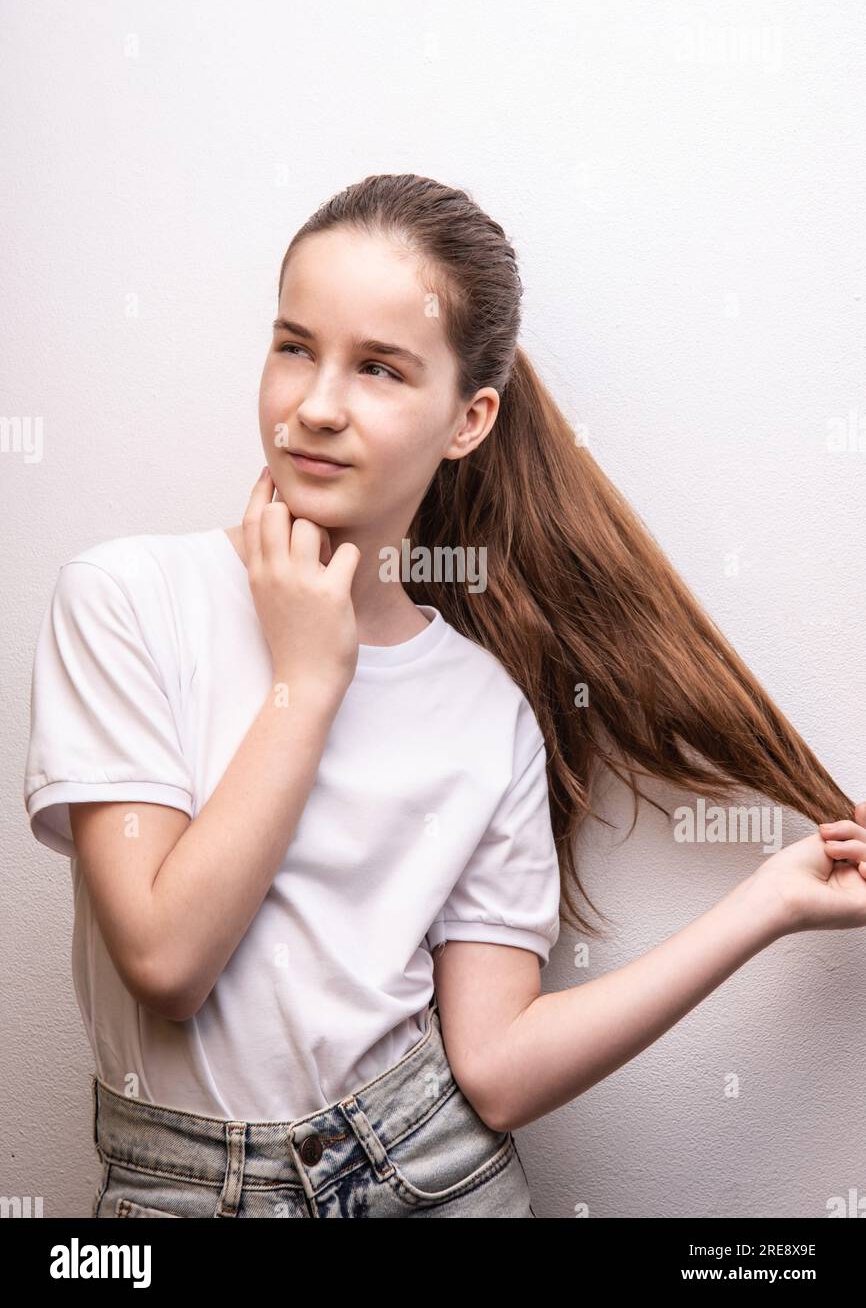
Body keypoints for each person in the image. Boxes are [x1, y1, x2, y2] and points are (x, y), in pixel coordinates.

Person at [23, 172, 866, 1220]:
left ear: (466, 420)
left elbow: (498, 1067)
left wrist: (769, 904)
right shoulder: (123, 601)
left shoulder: (485, 709)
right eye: (294, 345)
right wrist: (308, 676)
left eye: (378, 368)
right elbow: (165, 959)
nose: (315, 405)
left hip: (433, 1182)